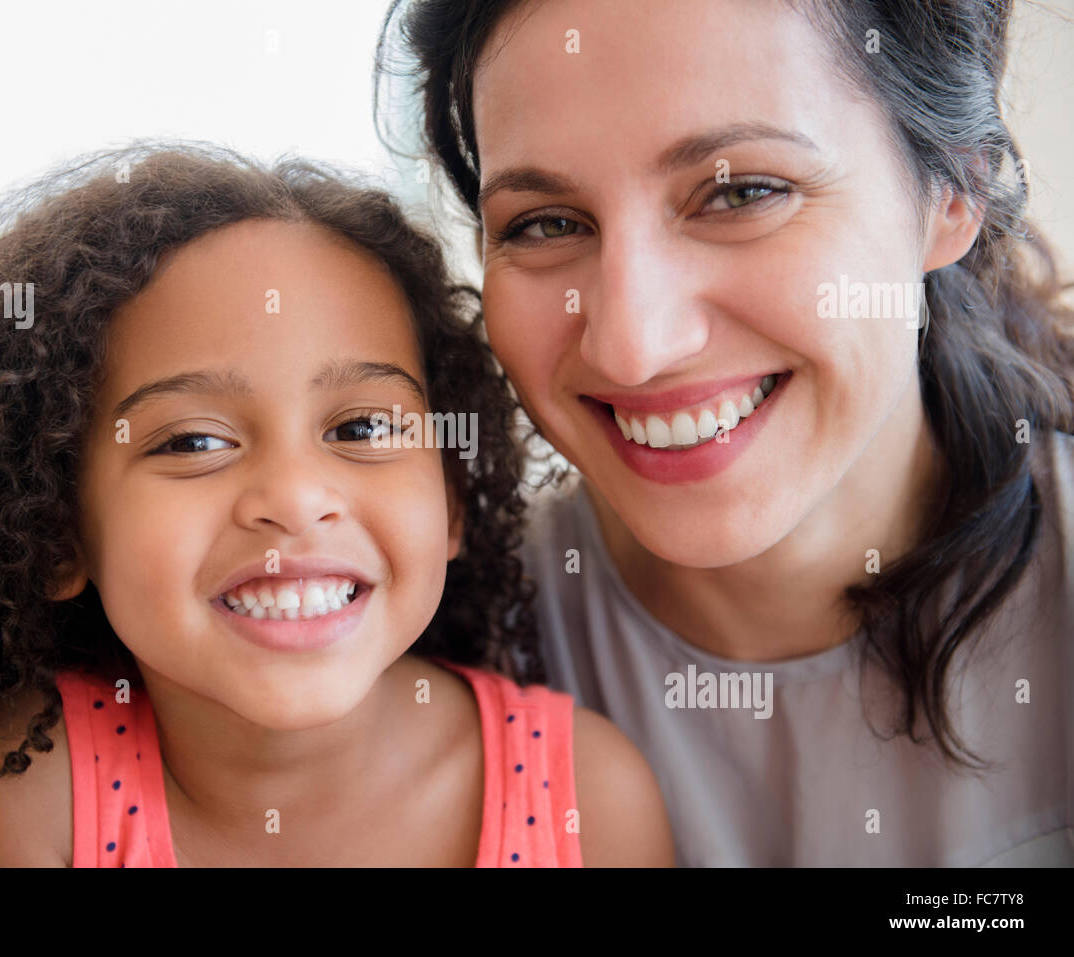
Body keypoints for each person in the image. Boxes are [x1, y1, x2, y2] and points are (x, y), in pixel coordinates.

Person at [0, 144, 673, 867]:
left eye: (363, 425)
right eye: (191, 442)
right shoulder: (32, 790)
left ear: (450, 499)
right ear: (58, 531)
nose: (295, 499)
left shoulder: (588, 800)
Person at [377, 0, 1074, 864]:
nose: (632, 346)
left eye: (743, 192)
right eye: (547, 223)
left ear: (954, 186)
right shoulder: (424, 652)